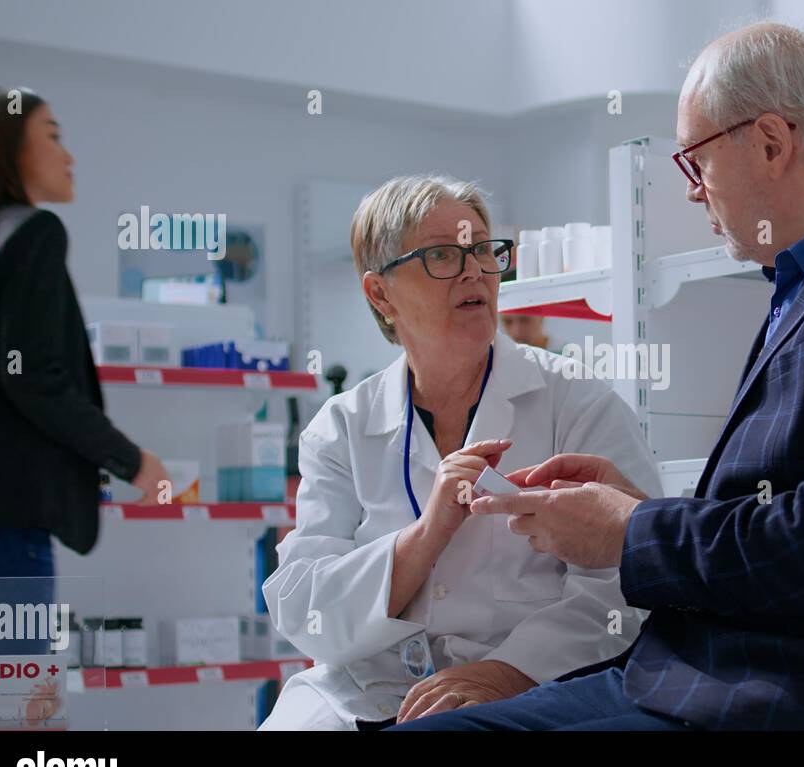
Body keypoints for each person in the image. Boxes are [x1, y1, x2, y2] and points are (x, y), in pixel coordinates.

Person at [389, 22, 804, 731]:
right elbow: (787, 515)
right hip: (696, 673)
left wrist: (633, 531)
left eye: (696, 162)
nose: (690, 193)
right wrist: (632, 506)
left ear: (772, 142)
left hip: (796, 696)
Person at [259, 174, 659, 730]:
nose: (474, 270)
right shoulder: (343, 427)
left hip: (531, 686)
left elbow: (628, 585)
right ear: (380, 293)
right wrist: (427, 536)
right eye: (443, 255)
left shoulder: (577, 402)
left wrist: (507, 672)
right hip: (362, 691)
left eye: (483, 252)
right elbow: (307, 611)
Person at [0, 88, 170, 656]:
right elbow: (33, 377)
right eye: (53, 135)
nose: (69, 155)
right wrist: (134, 461)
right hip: (3, 530)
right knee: (13, 713)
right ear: (9, 149)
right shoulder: (33, 231)